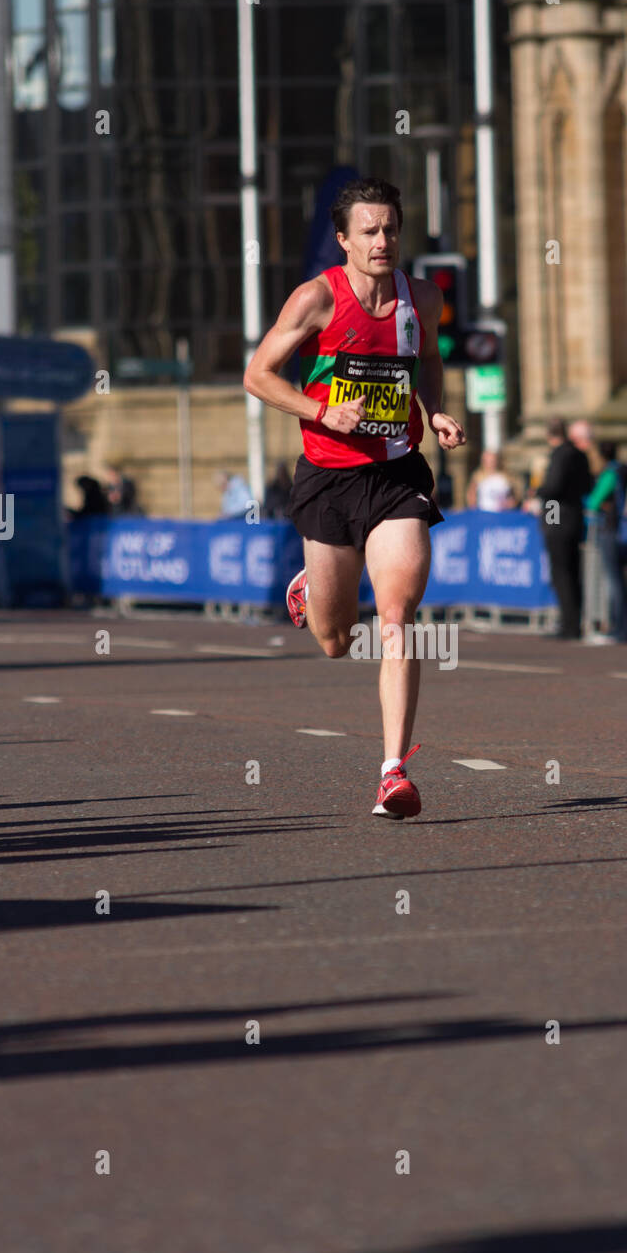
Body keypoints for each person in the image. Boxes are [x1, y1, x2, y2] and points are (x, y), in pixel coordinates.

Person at [243, 176, 465, 818]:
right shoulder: (316, 298)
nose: (382, 241)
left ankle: (393, 769)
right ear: (343, 239)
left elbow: (425, 362)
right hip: (329, 476)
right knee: (336, 639)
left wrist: (437, 410)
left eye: (391, 228)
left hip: (397, 475)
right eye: (368, 231)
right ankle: (312, 593)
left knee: (397, 617)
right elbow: (258, 375)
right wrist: (320, 411)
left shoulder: (421, 297)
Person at [535, 417, 592, 639]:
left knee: (561, 572)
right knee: (573, 571)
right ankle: (574, 621)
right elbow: (587, 484)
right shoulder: (579, 455)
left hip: (557, 517)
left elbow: (553, 487)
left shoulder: (559, 455)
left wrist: (538, 491)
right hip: (575, 516)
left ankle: (569, 625)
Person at [584, 440, 627, 643]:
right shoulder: (624, 471)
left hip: (609, 529)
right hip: (623, 531)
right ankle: (625, 627)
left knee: (614, 581)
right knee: (621, 581)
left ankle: (619, 628)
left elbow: (593, 502)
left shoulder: (610, 474)